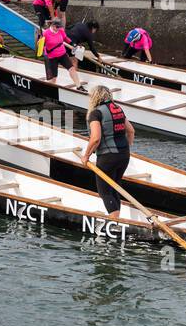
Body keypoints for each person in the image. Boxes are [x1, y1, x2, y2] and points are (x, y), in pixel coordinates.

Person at [78, 85, 135, 218]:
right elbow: (131, 131)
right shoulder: (118, 109)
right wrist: (127, 148)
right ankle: (116, 217)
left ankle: (114, 220)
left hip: (107, 157)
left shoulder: (96, 113)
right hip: (124, 155)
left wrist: (86, 156)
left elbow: (95, 138)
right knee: (115, 186)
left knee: (105, 191)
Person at [40, 17, 84, 89]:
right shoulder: (46, 33)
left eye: (59, 27)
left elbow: (66, 39)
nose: (58, 28)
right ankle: (50, 89)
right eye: (57, 27)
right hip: (52, 57)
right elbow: (41, 46)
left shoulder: (60, 31)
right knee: (54, 78)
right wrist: (40, 41)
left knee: (72, 69)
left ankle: (79, 86)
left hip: (62, 54)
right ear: (52, 25)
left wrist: (73, 44)